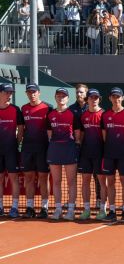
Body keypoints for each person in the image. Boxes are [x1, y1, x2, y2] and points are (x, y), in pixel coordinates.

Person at [47, 87, 81, 221]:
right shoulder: (50, 115)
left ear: (68, 98)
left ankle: (71, 210)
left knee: (71, 181)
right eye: (59, 96)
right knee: (56, 181)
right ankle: (58, 209)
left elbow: (77, 136)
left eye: (63, 96)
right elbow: (49, 134)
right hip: (55, 148)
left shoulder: (73, 114)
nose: (61, 98)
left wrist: (73, 146)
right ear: (55, 97)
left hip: (69, 148)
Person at [99, 88, 124, 222]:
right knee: (110, 182)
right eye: (113, 96)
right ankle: (112, 211)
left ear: (122, 98)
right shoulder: (105, 115)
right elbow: (104, 136)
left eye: (118, 96)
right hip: (109, 154)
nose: (116, 99)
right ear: (110, 98)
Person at [21, 84, 52, 218]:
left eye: (34, 92)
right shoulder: (24, 108)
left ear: (39, 93)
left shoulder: (48, 108)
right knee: (28, 178)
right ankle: (29, 207)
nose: (32, 94)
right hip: (27, 148)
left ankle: (44, 208)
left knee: (44, 178)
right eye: (29, 92)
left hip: (43, 148)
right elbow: (21, 129)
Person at [77, 89, 105, 219]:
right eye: (91, 97)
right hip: (86, 153)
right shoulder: (83, 116)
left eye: (96, 97)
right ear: (87, 99)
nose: (94, 100)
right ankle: (86, 209)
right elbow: (81, 135)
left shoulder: (103, 115)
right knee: (85, 181)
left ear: (99, 99)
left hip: (100, 153)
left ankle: (103, 209)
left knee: (101, 182)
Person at [0, 82, 24, 218]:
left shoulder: (16, 110)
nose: (9, 95)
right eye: (6, 92)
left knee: (14, 178)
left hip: (11, 150)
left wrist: (17, 143)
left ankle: (14, 207)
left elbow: (21, 129)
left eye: (11, 93)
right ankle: (0, 206)